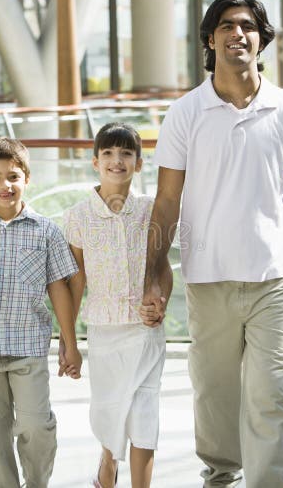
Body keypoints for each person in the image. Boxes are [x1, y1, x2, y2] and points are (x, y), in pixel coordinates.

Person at [142, 0, 283, 488]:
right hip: (207, 279)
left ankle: (273, 482)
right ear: (210, 41)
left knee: (272, 392)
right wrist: (153, 275)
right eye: (227, 26)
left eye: (249, 26)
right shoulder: (186, 113)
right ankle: (221, 476)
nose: (239, 33)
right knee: (215, 393)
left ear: (261, 39)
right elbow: (167, 202)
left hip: (272, 278)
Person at [0, 137, 82, 488]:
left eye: (13, 176)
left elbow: (58, 287)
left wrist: (69, 342)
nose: (5, 185)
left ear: (27, 179)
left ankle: (37, 482)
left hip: (28, 348)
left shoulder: (46, 231)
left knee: (35, 424)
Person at [63, 123, 170, 488]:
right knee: (111, 410)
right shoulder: (78, 216)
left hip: (146, 332)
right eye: (107, 153)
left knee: (143, 413)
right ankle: (108, 460)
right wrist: (69, 340)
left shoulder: (152, 211)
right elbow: (75, 280)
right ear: (95, 162)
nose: (117, 160)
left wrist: (160, 299)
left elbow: (163, 270)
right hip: (104, 332)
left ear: (139, 164)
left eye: (126, 153)